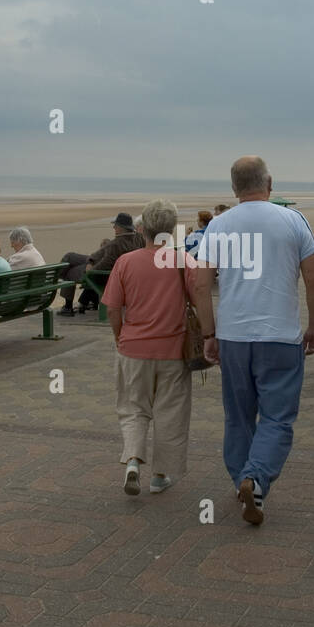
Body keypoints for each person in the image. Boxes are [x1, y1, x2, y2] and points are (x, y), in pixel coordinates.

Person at [193, 156, 314, 526]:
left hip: (234, 336)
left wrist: (208, 333)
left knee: (238, 416)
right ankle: (257, 478)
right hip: (280, 336)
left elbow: (201, 285)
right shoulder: (293, 221)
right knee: (278, 417)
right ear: (269, 183)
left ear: (234, 188)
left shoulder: (217, 226)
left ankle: (242, 480)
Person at [102, 199, 196, 497]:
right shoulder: (184, 262)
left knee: (133, 409)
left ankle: (132, 462)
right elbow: (200, 302)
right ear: (171, 229)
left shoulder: (126, 262)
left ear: (143, 228)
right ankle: (159, 476)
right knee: (170, 413)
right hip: (173, 350)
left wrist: (120, 337)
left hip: (133, 348)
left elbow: (114, 309)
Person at [57, 213, 144, 316]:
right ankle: (58, 279)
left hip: (103, 274)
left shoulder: (116, 244)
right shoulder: (138, 240)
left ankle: (66, 305)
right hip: (104, 265)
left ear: (121, 228)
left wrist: (91, 270)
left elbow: (107, 263)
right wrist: (92, 261)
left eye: (115, 226)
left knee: (70, 269)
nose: (114, 228)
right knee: (70, 257)